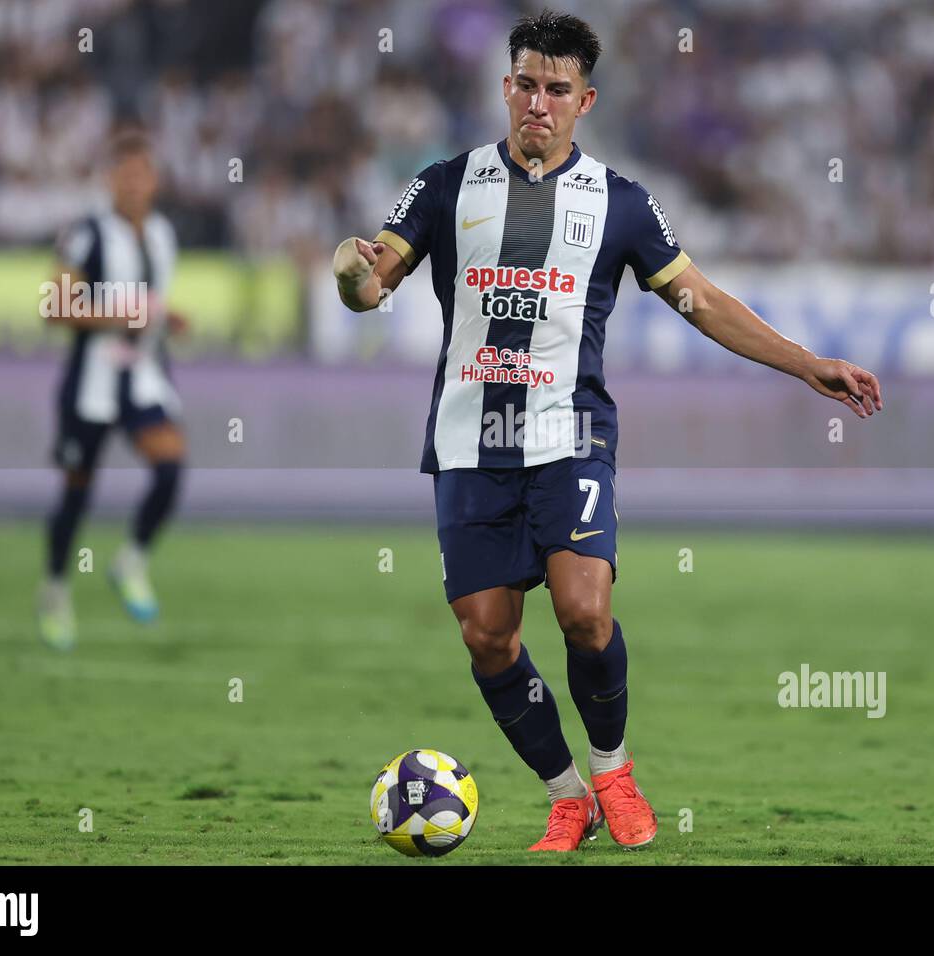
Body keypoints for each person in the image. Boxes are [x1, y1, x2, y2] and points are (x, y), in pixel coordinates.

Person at [333, 11, 882, 851]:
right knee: (488, 634)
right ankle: (569, 796)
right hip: (469, 441)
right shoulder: (445, 184)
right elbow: (378, 282)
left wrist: (807, 363)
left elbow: (703, 303)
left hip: (569, 434)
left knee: (585, 612)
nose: (539, 103)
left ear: (584, 100)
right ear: (505, 88)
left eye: (557, 90)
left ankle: (615, 773)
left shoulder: (621, 204)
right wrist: (355, 277)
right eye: (526, 84)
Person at [38, 131, 189, 651]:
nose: (132, 184)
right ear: (110, 180)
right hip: (92, 381)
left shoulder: (164, 235)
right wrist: (121, 314)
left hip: (143, 374)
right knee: (77, 492)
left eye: (141, 174)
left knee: (170, 467)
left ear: (152, 180)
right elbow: (54, 307)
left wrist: (166, 320)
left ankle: (131, 562)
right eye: (123, 174)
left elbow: (151, 308)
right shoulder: (86, 235)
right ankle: (56, 591)